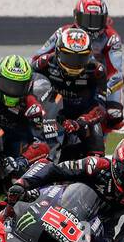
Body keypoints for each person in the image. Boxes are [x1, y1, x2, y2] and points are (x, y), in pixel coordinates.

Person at [36, 0, 124, 121]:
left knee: (113, 115)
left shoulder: (112, 38)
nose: (92, 26)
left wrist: (102, 92)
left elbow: (116, 73)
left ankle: (99, 136)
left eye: (96, 21)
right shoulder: (62, 32)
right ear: (76, 16)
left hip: (98, 81)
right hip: (63, 79)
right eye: (88, 20)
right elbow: (38, 57)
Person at [31, 27, 113, 156]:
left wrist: (79, 122)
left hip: (81, 118)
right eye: (69, 57)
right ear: (58, 52)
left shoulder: (97, 72)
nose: (74, 64)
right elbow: (26, 84)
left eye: (80, 58)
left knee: (97, 154)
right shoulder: (44, 63)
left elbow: (100, 107)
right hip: (50, 116)